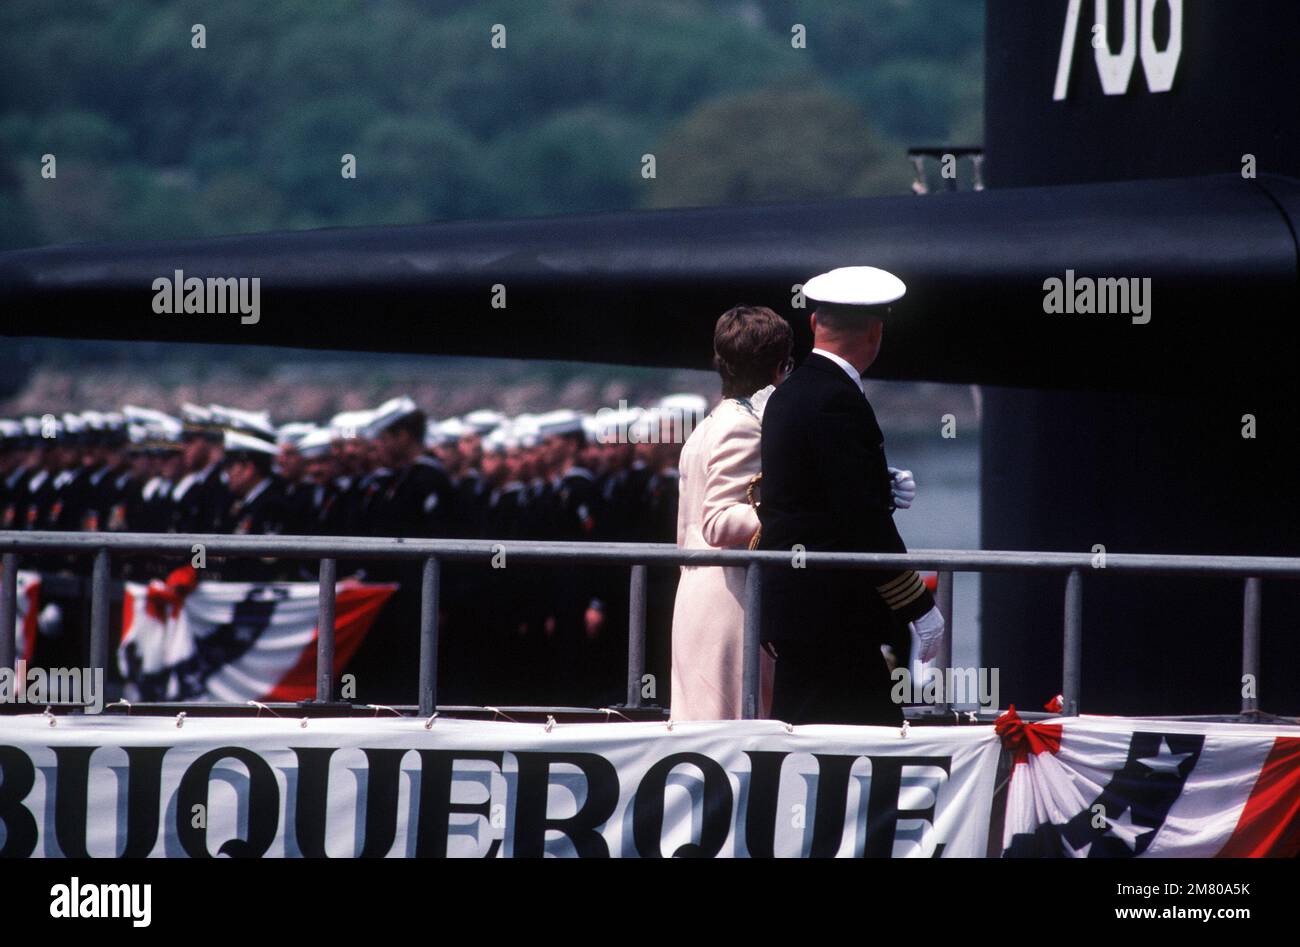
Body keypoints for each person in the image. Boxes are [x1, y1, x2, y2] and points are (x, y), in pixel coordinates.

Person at [757, 267, 946, 726]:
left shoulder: (789, 393)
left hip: (797, 606)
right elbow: (860, 520)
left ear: (813, 324)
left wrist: (878, 482)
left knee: (801, 741)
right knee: (863, 749)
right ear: (876, 332)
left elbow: (810, 490)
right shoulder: (837, 399)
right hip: (833, 614)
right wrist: (918, 605)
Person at [670, 305, 791, 720]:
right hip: (729, 600)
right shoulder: (744, 426)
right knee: (732, 733)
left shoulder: (708, 425)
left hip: (697, 594)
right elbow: (719, 521)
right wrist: (795, 515)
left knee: (699, 729)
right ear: (780, 367)